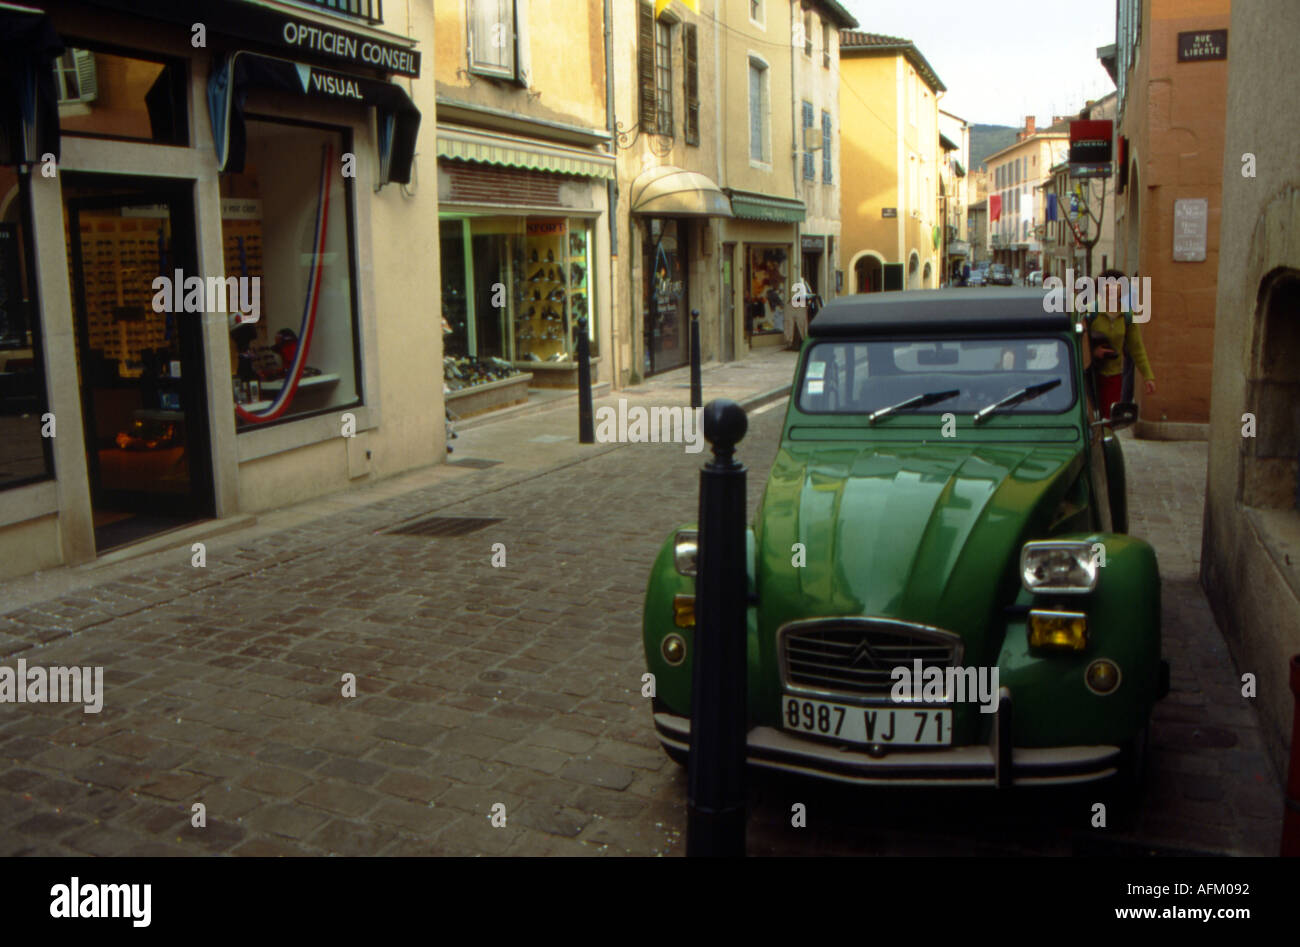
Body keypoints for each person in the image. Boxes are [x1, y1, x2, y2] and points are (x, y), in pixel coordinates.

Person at [1087, 268, 1155, 419]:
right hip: (1090, 374)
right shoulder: (1090, 312)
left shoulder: (1127, 316)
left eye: (1115, 285)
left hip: (1114, 376)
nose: (1110, 289)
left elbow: (1137, 348)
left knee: (1109, 419)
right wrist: (1093, 352)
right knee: (1091, 418)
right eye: (1106, 285)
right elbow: (1078, 341)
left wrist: (1148, 376)